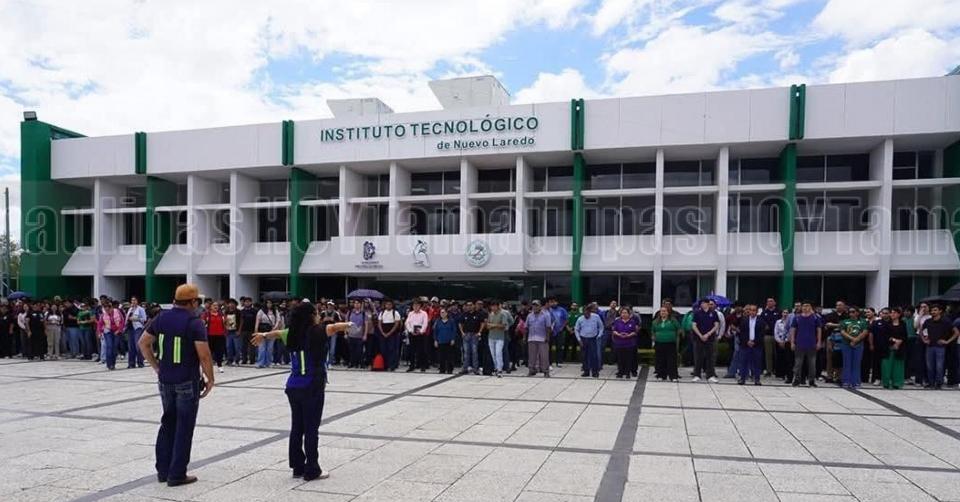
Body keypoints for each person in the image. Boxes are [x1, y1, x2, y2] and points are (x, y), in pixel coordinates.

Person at [253, 303, 351, 481]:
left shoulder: (290, 332)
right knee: (311, 428)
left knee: (297, 427)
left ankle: (298, 466)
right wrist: (348, 325)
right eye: (316, 313)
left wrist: (263, 335)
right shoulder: (317, 331)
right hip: (312, 384)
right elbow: (334, 327)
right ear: (311, 315)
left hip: (293, 385)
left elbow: (275, 334)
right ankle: (312, 469)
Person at [138, 284, 214, 487]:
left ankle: (163, 471)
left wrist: (157, 366)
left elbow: (143, 343)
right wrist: (210, 379)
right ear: (193, 302)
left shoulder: (161, 318)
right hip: (186, 381)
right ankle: (177, 474)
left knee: (167, 423)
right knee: (184, 427)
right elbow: (204, 355)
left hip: (165, 381)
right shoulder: (194, 322)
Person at [790, 301, 822, 387]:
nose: (805, 308)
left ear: (811, 307)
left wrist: (819, 342)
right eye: (804, 306)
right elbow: (793, 330)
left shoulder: (815, 318)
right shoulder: (797, 318)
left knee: (812, 364)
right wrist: (792, 342)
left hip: (812, 344)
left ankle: (811, 380)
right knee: (798, 364)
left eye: (808, 306)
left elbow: (819, 330)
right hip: (799, 344)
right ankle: (797, 379)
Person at [921, 304, 953, 389]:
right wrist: (924, 339)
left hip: (940, 347)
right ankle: (931, 382)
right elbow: (921, 330)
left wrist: (947, 341)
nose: (933, 312)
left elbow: (956, 332)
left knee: (939, 366)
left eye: (935, 310)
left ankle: (939, 383)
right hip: (930, 346)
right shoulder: (928, 321)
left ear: (940, 311)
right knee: (930, 366)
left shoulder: (945, 321)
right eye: (932, 310)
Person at [691, 299, 720, 383]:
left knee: (710, 357)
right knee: (698, 357)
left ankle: (710, 375)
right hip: (698, 338)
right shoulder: (697, 313)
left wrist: (708, 334)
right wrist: (700, 335)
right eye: (701, 303)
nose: (703, 305)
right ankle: (697, 375)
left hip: (710, 339)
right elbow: (694, 325)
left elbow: (716, 325)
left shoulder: (714, 313)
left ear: (708, 304)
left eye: (704, 303)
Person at [839, 307, 868, 389]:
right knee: (846, 363)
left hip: (859, 345)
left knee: (856, 364)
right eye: (850, 312)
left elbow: (865, 332)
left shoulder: (863, 322)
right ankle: (846, 381)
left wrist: (856, 340)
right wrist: (852, 339)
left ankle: (856, 381)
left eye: (853, 312)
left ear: (857, 312)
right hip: (846, 344)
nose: (851, 313)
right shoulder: (844, 322)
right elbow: (842, 331)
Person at [651, 306, 681, 381]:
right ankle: (661, 375)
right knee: (660, 360)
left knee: (671, 360)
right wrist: (654, 338)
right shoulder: (656, 321)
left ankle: (673, 376)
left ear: (668, 312)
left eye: (664, 311)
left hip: (670, 343)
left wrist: (676, 337)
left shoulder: (673, 320)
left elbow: (679, 329)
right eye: (661, 311)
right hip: (659, 343)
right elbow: (653, 331)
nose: (663, 313)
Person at [736, 304, 763, 386]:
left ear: (757, 311)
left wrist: (754, 342)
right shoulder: (744, 320)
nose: (752, 312)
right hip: (745, 344)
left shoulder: (761, 321)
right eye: (750, 310)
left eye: (754, 310)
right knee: (743, 362)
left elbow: (762, 334)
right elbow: (741, 333)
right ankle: (742, 379)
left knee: (757, 363)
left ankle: (757, 379)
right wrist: (747, 341)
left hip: (756, 345)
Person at [525, 300, 553, 377]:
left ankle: (546, 371)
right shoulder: (529, 315)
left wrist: (547, 337)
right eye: (533, 305)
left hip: (542, 338)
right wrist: (525, 337)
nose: (535, 307)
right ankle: (532, 370)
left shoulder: (546, 315)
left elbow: (548, 327)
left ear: (540, 306)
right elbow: (526, 327)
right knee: (532, 356)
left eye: (537, 305)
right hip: (531, 338)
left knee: (544, 356)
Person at [881, 308, 907, 389]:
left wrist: (899, 342)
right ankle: (886, 382)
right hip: (888, 347)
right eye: (891, 313)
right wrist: (894, 340)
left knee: (898, 366)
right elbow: (885, 335)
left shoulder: (903, 324)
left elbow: (905, 335)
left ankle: (897, 383)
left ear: (899, 314)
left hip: (900, 347)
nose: (892, 314)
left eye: (894, 313)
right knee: (886, 365)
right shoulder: (887, 324)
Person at [486, 301, 513, 378]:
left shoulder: (503, 314)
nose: (493, 308)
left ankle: (500, 369)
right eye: (492, 306)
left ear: (498, 306)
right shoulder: (490, 314)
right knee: (493, 354)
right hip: (491, 337)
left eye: (494, 306)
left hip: (500, 337)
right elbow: (487, 325)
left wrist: (493, 325)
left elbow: (504, 325)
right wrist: (491, 326)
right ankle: (496, 368)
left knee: (498, 353)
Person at [611, 307, 638, 379]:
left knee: (628, 359)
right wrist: (618, 334)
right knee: (620, 359)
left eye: (625, 313)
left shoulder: (632, 322)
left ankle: (627, 373)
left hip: (629, 343)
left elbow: (635, 332)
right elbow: (614, 330)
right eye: (622, 313)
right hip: (619, 343)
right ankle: (620, 372)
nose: (624, 314)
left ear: (629, 314)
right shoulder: (617, 321)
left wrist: (629, 335)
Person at [458, 301, 484, 375]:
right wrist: (462, 332)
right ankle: (465, 368)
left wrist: (479, 332)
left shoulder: (478, 314)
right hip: (466, 334)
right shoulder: (464, 314)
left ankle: (475, 369)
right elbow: (460, 323)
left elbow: (482, 323)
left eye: (470, 305)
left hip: (474, 335)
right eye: (468, 305)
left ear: (473, 305)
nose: (469, 306)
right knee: (466, 352)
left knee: (474, 352)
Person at [405, 300, 430, 373]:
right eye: (414, 305)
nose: (415, 307)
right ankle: (412, 365)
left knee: (422, 350)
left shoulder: (424, 313)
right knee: (411, 350)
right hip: (412, 333)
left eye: (417, 305)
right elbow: (407, 323)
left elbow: (425, 323)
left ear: (420, 306)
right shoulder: (410, 313)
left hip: (421, 334)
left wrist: (421, 331)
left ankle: (423, 366)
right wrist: (410, 330)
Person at [255, 300, 282, 368]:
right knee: (262, 348)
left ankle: (268, 362)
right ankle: (260, 363)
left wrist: (274, 328)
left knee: (270, 348)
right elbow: (257, 321)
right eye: (268, 303)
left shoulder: (275, 311)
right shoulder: (261, 311)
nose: (269, 304)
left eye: (270, 303)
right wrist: (256, 330)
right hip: (262, 331)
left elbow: (278, 321)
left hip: (272, 331)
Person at [378, 299, 403, 372]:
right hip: (383, 333)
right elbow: (379, 323)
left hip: (392, 334)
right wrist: (382, 332)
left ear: (392, 305)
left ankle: (392, 365)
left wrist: (389, 333)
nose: (388, 306)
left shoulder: (395, 313)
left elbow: (396, 324)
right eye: (387, 304)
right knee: (383, 349)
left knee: (392, 349)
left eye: (390, 304)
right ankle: (385, 365)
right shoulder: (382, 313)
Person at [202, 302, 227, 373]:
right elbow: (202, 323)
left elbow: (226, 323)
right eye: (214, 305)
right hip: (210, 336)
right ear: (210, 307)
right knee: (209, 352)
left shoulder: (222, 315)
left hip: (220, 336)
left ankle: (220, 365)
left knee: (219, 351)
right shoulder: (206, 314)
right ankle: (207, 366)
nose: (216, 307)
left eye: (217, 305)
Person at [432, 308, 457, 374]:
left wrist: (453, 339)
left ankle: (449, 369)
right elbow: (435, 331)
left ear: (446, 313)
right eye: (441, 313)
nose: (442, 314)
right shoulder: (438, 321)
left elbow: (454, 331)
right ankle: (442, 369)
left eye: (443, 312)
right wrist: (435, 340)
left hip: (449, 341)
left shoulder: (451, 321)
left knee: (449, 357)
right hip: (440, 341)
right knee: (441, 357)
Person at [124, 296, 147, 368]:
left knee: (138, 345)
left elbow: (144, 319)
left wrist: (136, 318)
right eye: (132, 300)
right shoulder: (130, 309)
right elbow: (127, 318)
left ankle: (140, 362)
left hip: (137, 328)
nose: (133, 302)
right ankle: (131, 363)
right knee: (131, 346)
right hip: (130, 328)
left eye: (134, 300)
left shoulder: (141, 309)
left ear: (137, 301)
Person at [758, 298, 779, 376]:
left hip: (777, 336)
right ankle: (769, 370)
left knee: (777, 354)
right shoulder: (764, 312)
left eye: (771, 301)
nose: (769, 303)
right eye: (768, 301)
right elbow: (761, 321)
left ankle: (777, 370)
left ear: (774, 303)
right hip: (767, 335)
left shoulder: (778, 311)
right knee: (768, 354)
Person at [346, 300, 369, 369]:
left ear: (361, 304)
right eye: (355, 303)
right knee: (351, 350)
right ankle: (352, 363)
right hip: (351, 334)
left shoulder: (364, 313)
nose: (356, 305)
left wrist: (365, 335)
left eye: (358, 303)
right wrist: (345, 333)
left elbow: (366, 324)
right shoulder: (349, 313)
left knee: (360, 350)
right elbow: (346, 323)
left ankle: (361, 363)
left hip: (360, 335)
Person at [547, 298, 568, 367]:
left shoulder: (562, 310)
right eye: (551, 302)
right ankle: (549, 362)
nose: (553, 303)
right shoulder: (548, 310)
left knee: (559, 347)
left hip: (559, 331)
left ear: (557, 302)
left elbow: (566, 320)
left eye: (554, 302)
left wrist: (562, 327)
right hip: (550, 331)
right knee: (549, 347)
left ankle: (559, 362)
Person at [237, 297, 258, 365]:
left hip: (252, 331)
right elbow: (240, 321)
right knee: (243, 346)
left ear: (251, 302)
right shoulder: (242, 311)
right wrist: (239, 330)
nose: (247, 303)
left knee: (252, 346)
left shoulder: (254, 311)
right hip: (243, 331)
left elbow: (257, 321)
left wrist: (256, 330)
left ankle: (252, 360)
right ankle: (244, 359)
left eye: (249, 302)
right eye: (246, 302)